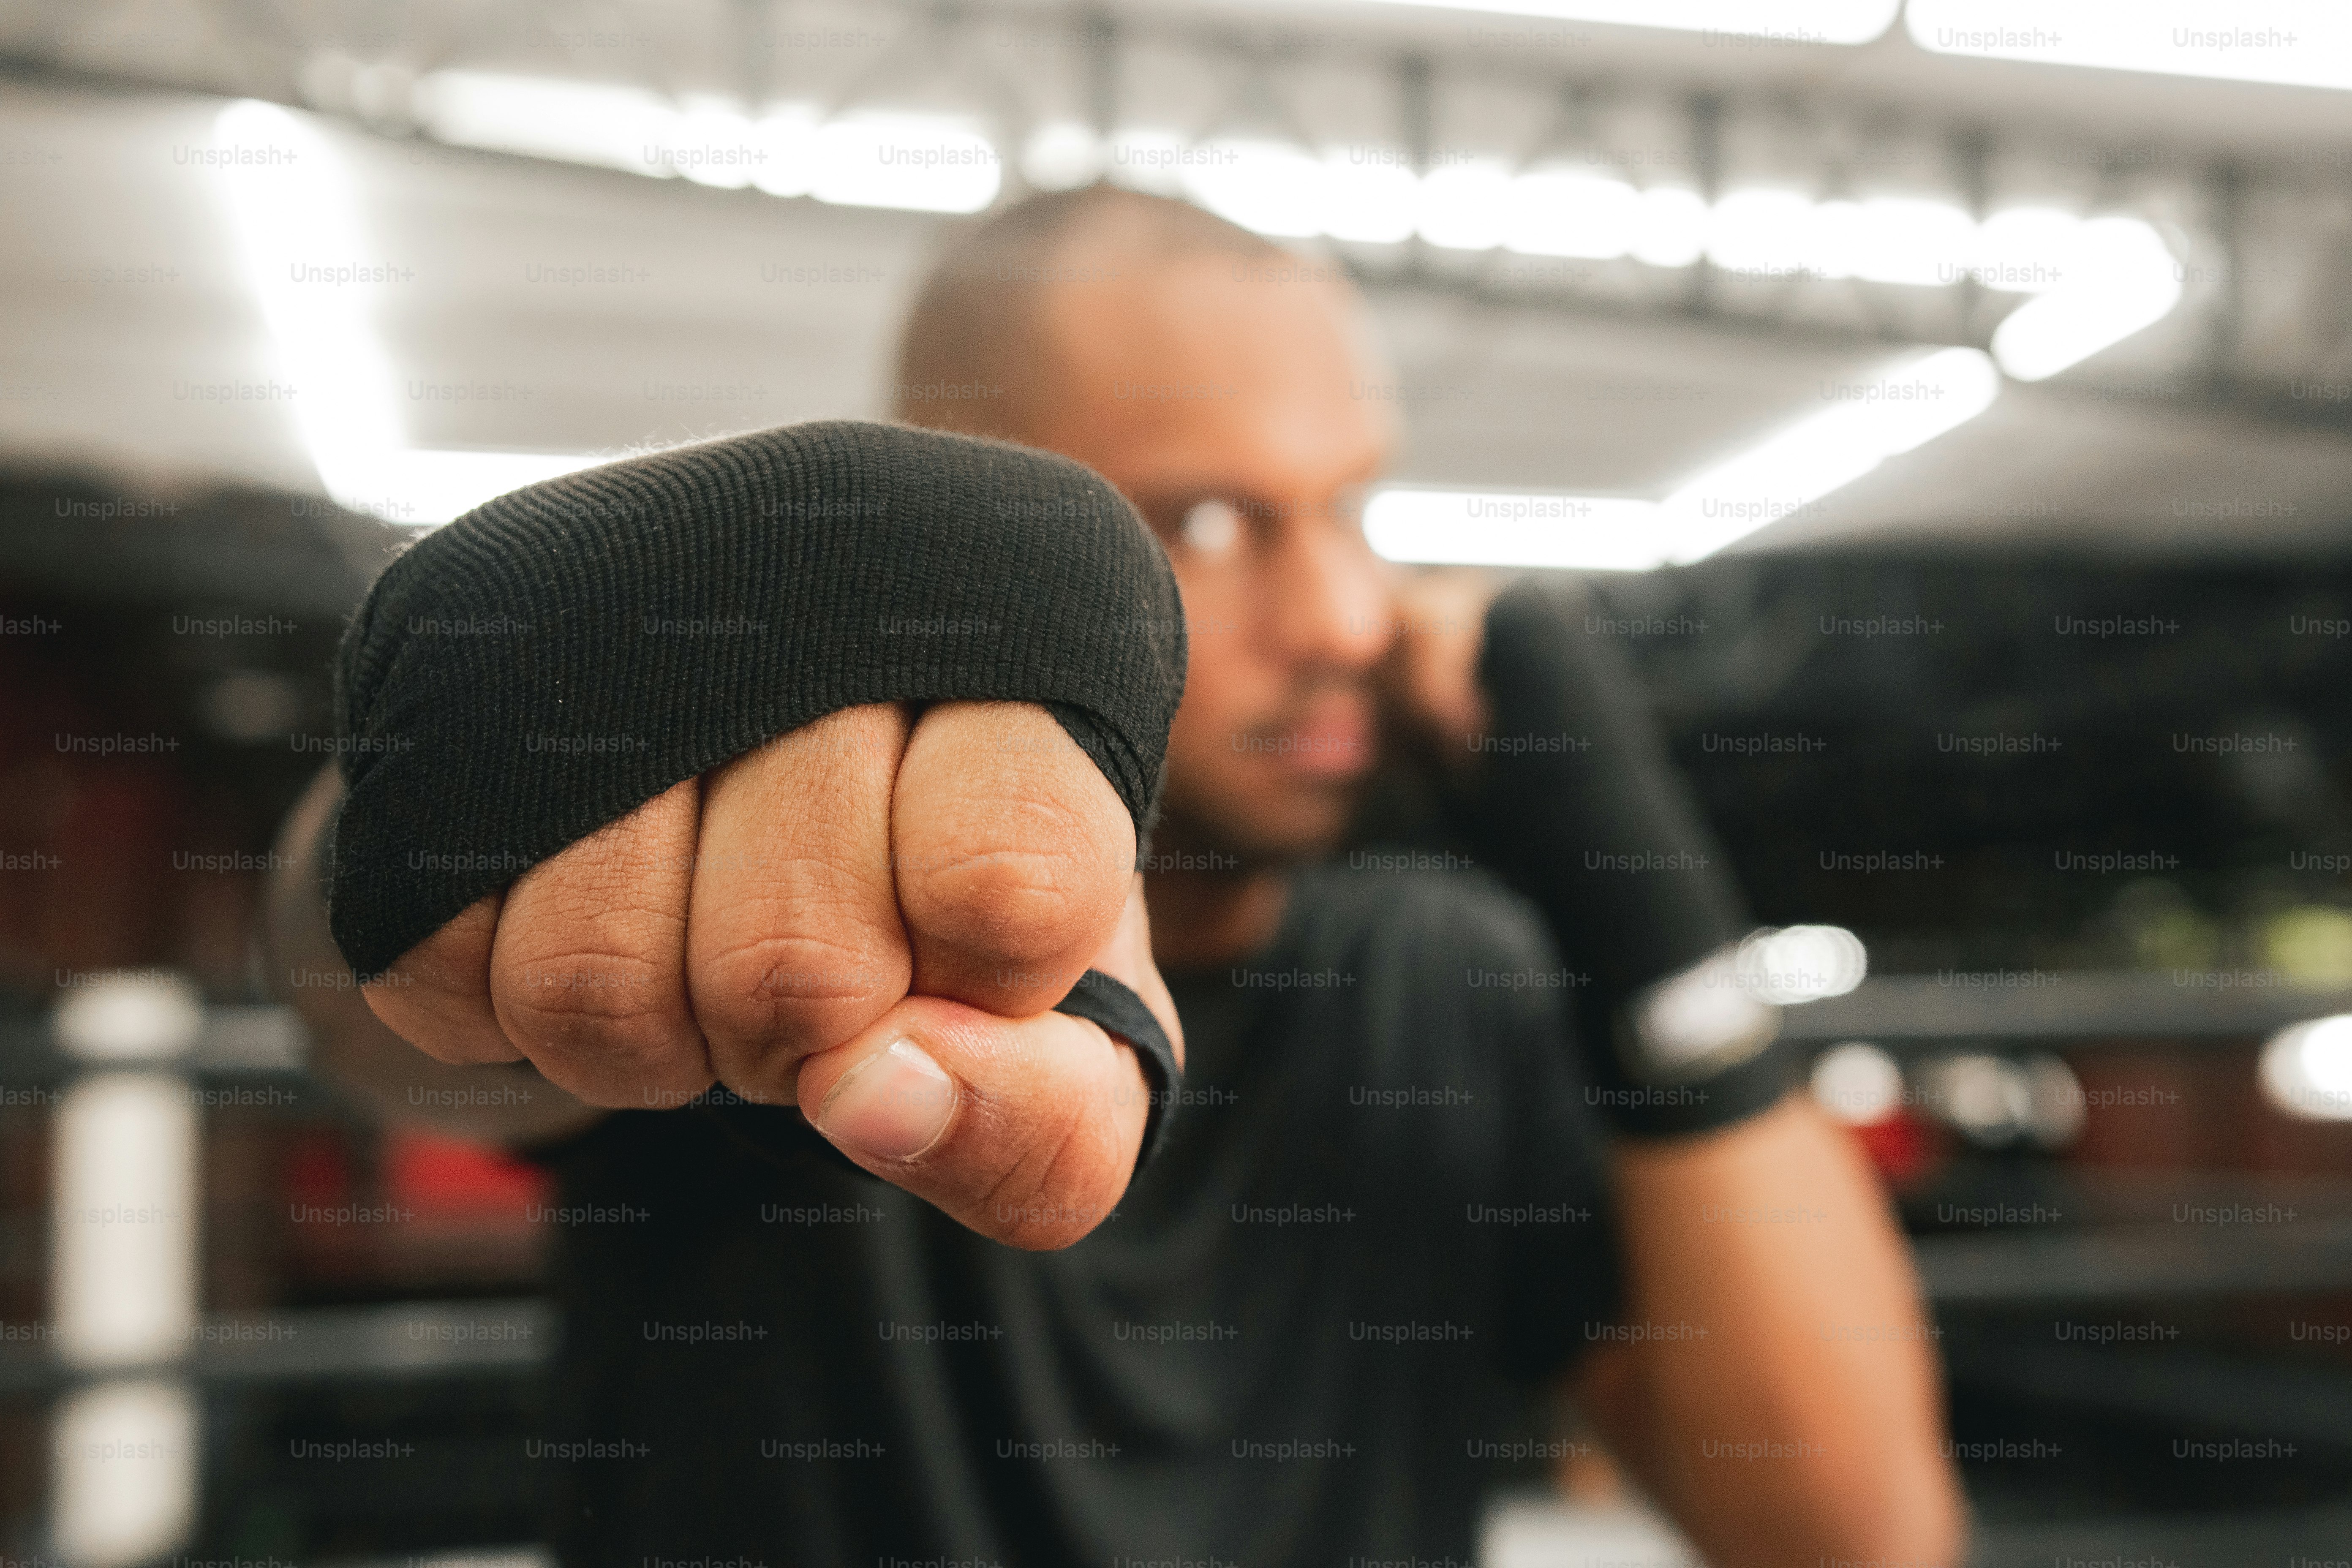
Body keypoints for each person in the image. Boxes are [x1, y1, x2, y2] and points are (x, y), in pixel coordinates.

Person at [270, 185, 1962, 1568]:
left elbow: (1855, 1536)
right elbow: (375, 992)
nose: (1344, 623)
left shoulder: (1445, 975)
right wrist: (482, 798)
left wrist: (1649, 910)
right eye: (1212, 524)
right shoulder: (807, 922)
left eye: (1352, 508)